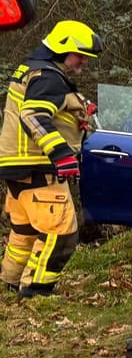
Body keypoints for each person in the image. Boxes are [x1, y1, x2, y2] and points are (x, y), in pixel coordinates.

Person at [0, 20, 102, 296]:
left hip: (16, 166)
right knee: (62, 234)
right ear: (61, 48)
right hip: (39, 167)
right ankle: (36, 291)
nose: (84, 62)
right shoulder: (48, 76)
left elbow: (46, 110)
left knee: (25, 234)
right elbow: (33, 116)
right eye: (80, 55)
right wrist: (62, 154)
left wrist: (78, 114)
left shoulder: (33, 70)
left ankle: (10, 284)